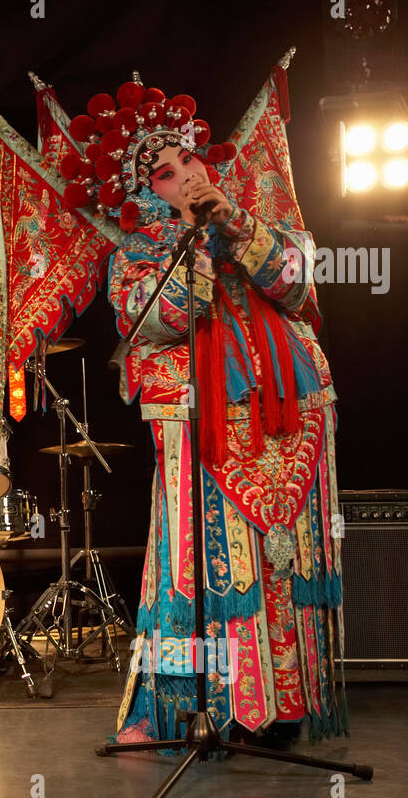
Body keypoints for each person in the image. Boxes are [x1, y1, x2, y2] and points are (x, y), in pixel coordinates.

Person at [56, 75, 345, 747]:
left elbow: (297, 284)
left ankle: (285, 707)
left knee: (285, 556)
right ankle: (204, 704)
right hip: (200, 420)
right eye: (163, 173)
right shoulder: (136, 256)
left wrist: (235, 225)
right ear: (140, 192)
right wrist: (192, 238)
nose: (184, 175)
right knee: (201, 562)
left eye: (189, 159)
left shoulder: (254, 215)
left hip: (290, 412)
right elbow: (159, 318)